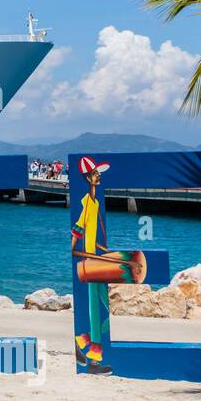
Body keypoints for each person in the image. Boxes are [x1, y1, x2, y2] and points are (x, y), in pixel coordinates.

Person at [71, 156, 113, 374]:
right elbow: (79, 226)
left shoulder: (94, 202)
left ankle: (82, 344)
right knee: (96, 310)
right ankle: (93, 361)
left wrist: (102, 249)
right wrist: (73, 250)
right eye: (96, 174)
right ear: (88, 177)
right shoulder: (88, 201)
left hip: (96, 257)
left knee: (103, 307)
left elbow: (90, 230)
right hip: (90, 262)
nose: (99, 177)